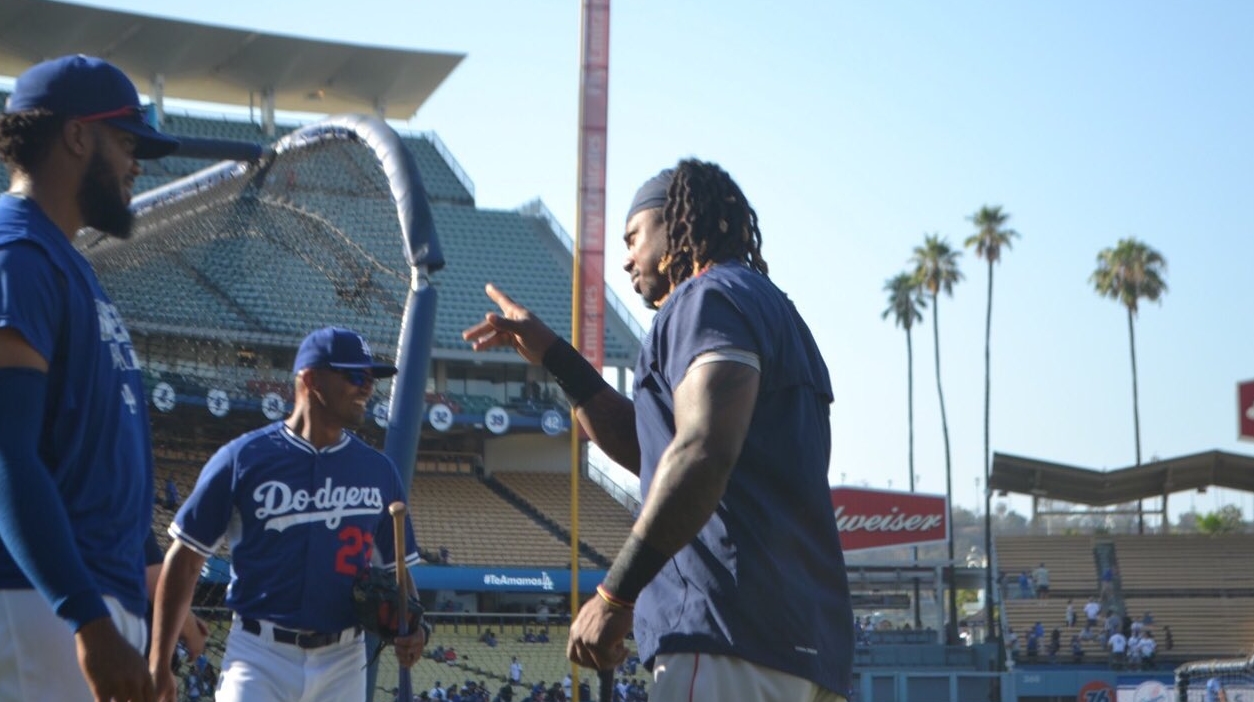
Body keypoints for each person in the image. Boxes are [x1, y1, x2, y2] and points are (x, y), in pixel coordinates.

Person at [463, 159, 854, 701]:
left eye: (633, 237)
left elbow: (699, 452)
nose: (626, 259)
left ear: (676, 224)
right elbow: (657, 448)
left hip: (724, 634)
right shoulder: (771, 307)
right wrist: (557, 358)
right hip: (805, 648)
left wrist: (615, 597)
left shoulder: (706, 297)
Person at [0, 54, 180, 701]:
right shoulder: (16, 252)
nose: (136, 165)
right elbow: (6, 456)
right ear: (77, 136)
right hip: (39, 605)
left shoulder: (62, 259)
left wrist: (151, 573)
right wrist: (88, 620)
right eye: (127, 142)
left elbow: (96, 448)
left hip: (86, 599)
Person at [148, 327, 429, 702]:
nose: (367, 388)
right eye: (356, 376)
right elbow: (184, 560)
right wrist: (159, 661)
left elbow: (399, 571)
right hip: (259, 655)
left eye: (371, 379)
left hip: (344, 660)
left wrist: (418, 625)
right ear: (311, 379)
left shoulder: (379, 471)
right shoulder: (243, 459)